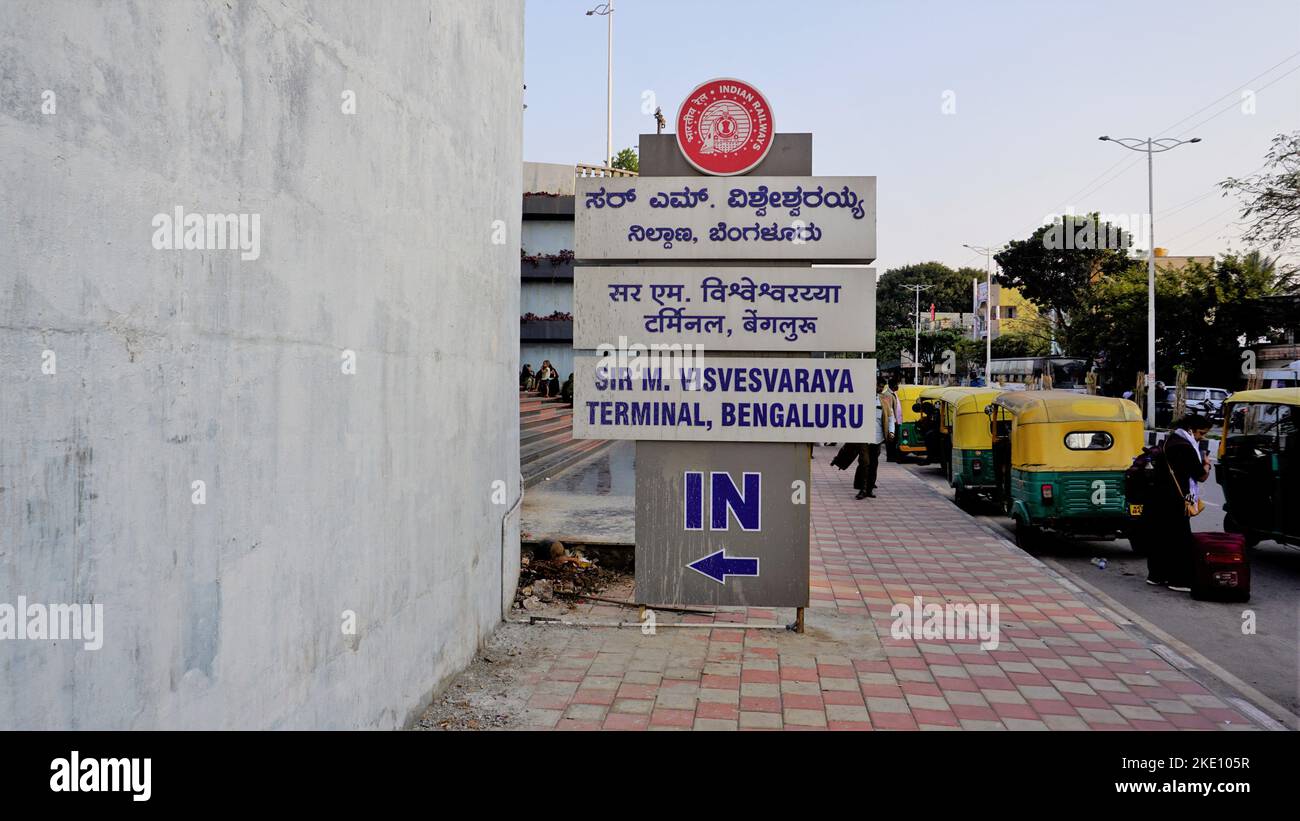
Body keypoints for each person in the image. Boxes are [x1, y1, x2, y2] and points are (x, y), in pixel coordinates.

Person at [1143, 414, 1213, 592]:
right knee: (1180, 540)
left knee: (1160, 537)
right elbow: (1201, 476)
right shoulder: (1185, 447)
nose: (1201, 437)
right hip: (1175, 499)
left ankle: (1156, 575)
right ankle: (1178, 580)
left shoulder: (1171, 440)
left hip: (1159, 497)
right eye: (1201, 433)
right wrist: (1206, 464)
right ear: (1191, 429)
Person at [855, 378, 895, 499]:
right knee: (864, 462)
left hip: (877, 437)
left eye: (882, 386)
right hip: (863, 436)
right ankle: (862, 489)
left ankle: (869, 489)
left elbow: (890, 417)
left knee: (873, 463)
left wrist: (891, 432)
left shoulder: (884, 401)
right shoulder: (862, 398)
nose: (879, 388)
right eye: (878, 385)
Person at [881, 377, 902, 462]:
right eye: (897, 384)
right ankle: (890, 457)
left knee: (894, 440)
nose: (898, 386)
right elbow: (889, 410)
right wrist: (894, 421)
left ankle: (892, 456)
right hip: (891, 421)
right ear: (893, 385)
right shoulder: (887, 394)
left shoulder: (893, 393)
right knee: (891, 440)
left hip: (895, 421)